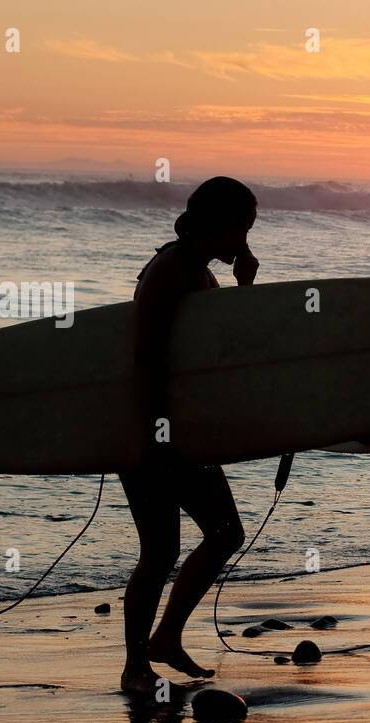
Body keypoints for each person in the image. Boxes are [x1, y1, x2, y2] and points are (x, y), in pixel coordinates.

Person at [119, 177, 258, 693]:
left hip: (180, 432)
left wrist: (244, 281)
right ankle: (137, 665)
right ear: (217, 225)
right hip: (153, 431)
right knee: (160, 551)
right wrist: (155, 438)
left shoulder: (194, 268)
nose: (246, 238)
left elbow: (222, 348)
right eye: (242, 227)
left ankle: (165, 640)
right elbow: (147, 358)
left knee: (222, 534)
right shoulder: (171, 270)